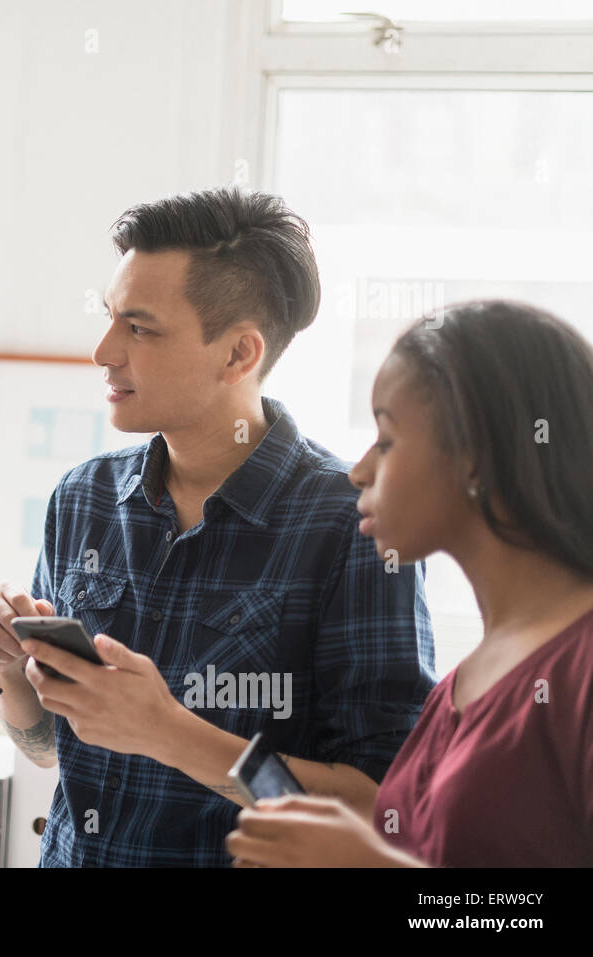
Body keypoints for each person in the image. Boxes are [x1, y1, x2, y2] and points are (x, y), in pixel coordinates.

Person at [0, 187, 437, 867]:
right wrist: (10, 671)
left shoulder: (352, 522)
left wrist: (172, 733)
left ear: (238, 354)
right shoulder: (84, 497)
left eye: (140, 327)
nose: (103, 350)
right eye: (109, 318)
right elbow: (49, 743)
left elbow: (382, 806)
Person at [226, 300, 593, 867]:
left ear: (475, 456)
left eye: (388, 439)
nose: (359, 470)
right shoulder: (461, 684)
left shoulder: (579, 669)